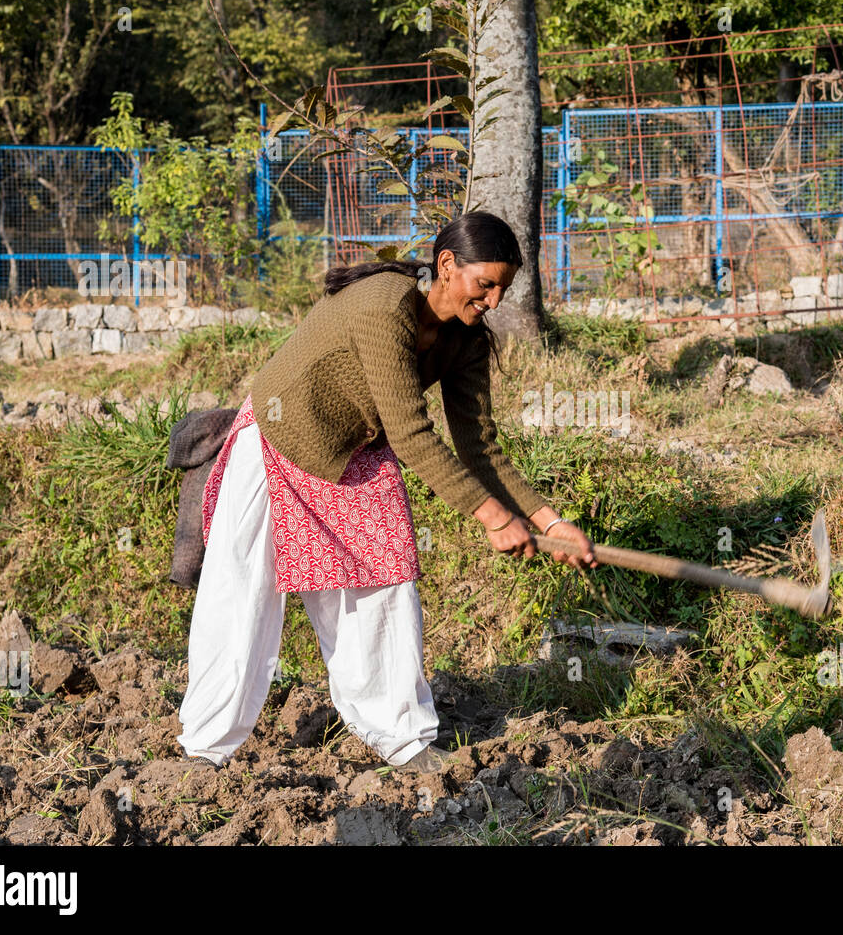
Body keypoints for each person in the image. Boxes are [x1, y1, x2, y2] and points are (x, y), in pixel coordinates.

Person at [176, 211, 597, 775]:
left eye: (504, 288)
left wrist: (548, 521)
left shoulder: (466, 341)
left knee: (384, 579)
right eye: (486, 284)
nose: (494, 301)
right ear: (447, 266)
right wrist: (493, 516)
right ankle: (206, 747)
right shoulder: (385, 306)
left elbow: (481, 448)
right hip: (281, 436)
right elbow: (412, 433)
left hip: (353, 447)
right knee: (244, 595)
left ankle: (403, 739)